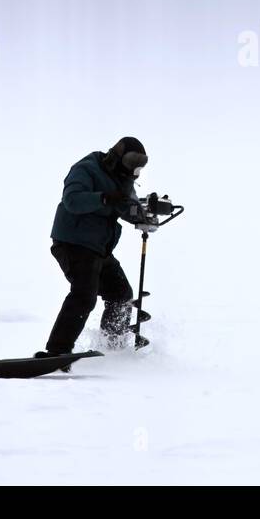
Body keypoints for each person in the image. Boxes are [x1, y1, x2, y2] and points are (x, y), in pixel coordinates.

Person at [36, 137, 148, 362]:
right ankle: (57, 353)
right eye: (132, 161)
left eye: (139, 165)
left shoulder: (123, 177)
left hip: (98, 247)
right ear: (117, 157)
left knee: (121, 294)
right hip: (73, 243)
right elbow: (72, 200)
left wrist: (145, 217)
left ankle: (112, 348)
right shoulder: (87, 168)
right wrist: (104, 198)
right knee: (84, 295)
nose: (134, 169)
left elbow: (127, 206)